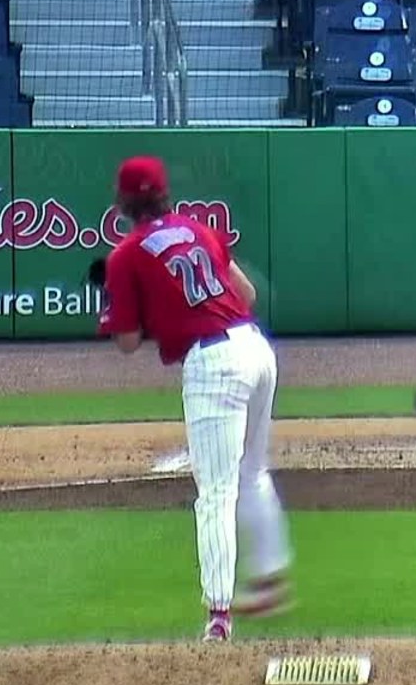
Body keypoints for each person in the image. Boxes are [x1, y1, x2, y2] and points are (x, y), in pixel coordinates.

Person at [97, 156, 294, 642]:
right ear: (164, 194)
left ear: (122, 203)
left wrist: (123, 307)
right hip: (256, 348)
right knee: (252, 473)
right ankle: (269, 576)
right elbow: (246, 294)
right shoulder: (197, 229)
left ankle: (219, 617)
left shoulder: (125, 255)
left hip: (214, 365)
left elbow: (127, 342)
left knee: (215, 494)